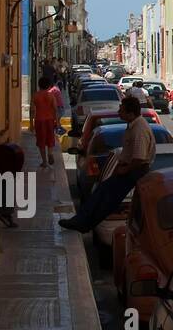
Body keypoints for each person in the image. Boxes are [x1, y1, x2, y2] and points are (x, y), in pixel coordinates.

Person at [59, 96, 156, 233]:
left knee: (106, 198)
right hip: (128, 169)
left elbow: (139, 158)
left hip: (134, 171)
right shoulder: (133, 126)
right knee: (102, 194)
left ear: (130, 113)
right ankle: (82, 222)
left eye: (121, 110)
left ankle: (83, 223)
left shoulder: (139, 129)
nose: (118, 112)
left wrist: (125, 169)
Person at [31, 76, 59, 168]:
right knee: (50, 138)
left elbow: (32, 110)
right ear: (48, 86)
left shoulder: (35, 96)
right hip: (50, 120)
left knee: (41, 141)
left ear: (39, 85)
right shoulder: (51, 96)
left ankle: (44, 162)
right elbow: (55, 109)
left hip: (39, 120)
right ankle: (50, 153)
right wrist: (57, 122)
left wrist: (31, 124)